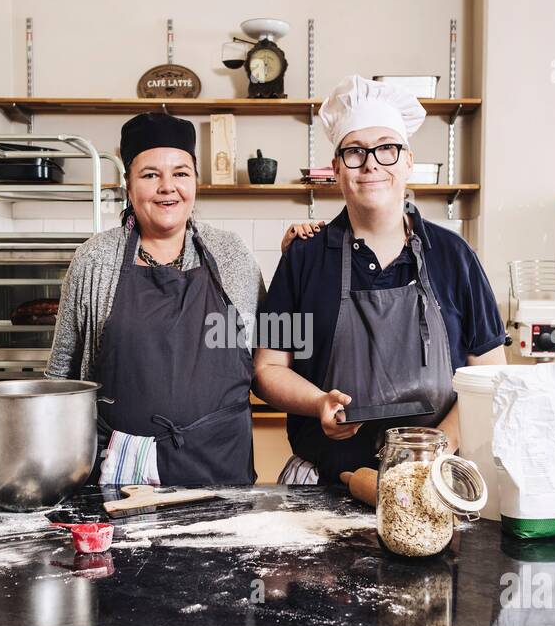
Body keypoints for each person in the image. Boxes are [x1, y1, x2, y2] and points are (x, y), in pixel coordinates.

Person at [253, 75, 507, 484]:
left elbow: (491, 375)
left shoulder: (454, 256)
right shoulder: (303, 258)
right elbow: (267, 368)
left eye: (387, 148)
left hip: (436, 480)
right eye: (355, 151)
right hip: (320, 483)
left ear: (408, 161)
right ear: (336, 168)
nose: (371, 163)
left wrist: (437, 449)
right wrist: (319, 402)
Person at [46, 112, 264, 486]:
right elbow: (60, 376)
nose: (168, 187)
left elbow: (270, 352)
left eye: (181, 173)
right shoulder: (94, 260)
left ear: (195, 182)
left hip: (220, 468)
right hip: (120, 472)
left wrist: (300, 261)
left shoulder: (233, 255)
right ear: (128, 186)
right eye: (150, 175)